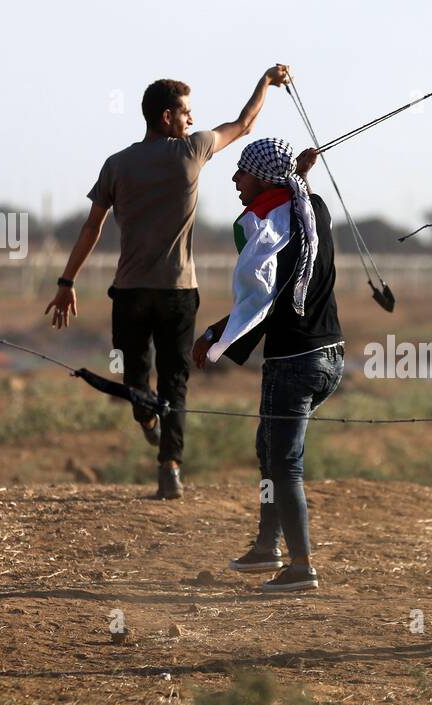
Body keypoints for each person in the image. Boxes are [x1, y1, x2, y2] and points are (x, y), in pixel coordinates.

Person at [45, 66, 290, 499]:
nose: (193, 121)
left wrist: (67, 281)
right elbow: (245, 123)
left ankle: (153, 432)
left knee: (136, 375)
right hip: (178, 293)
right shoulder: (191, 151)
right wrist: (266, 82)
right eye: (186, 113)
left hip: (130, 292)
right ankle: (169, 463)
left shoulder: (116, 165)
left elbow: (91, 228)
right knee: (174, 380)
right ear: (166, 118)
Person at [191, 138, 342, 593]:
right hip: (330, 356)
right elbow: (301, 200)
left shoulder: (268, 230)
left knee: (285, 462)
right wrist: (300, 175)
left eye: (243, 172)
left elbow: (264, 302)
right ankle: (267, 545)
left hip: (293, 361)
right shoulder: (313, 210)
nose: (236, 180)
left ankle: (300, 566)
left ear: (264, 178)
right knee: (270, 451)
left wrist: (217, 334)